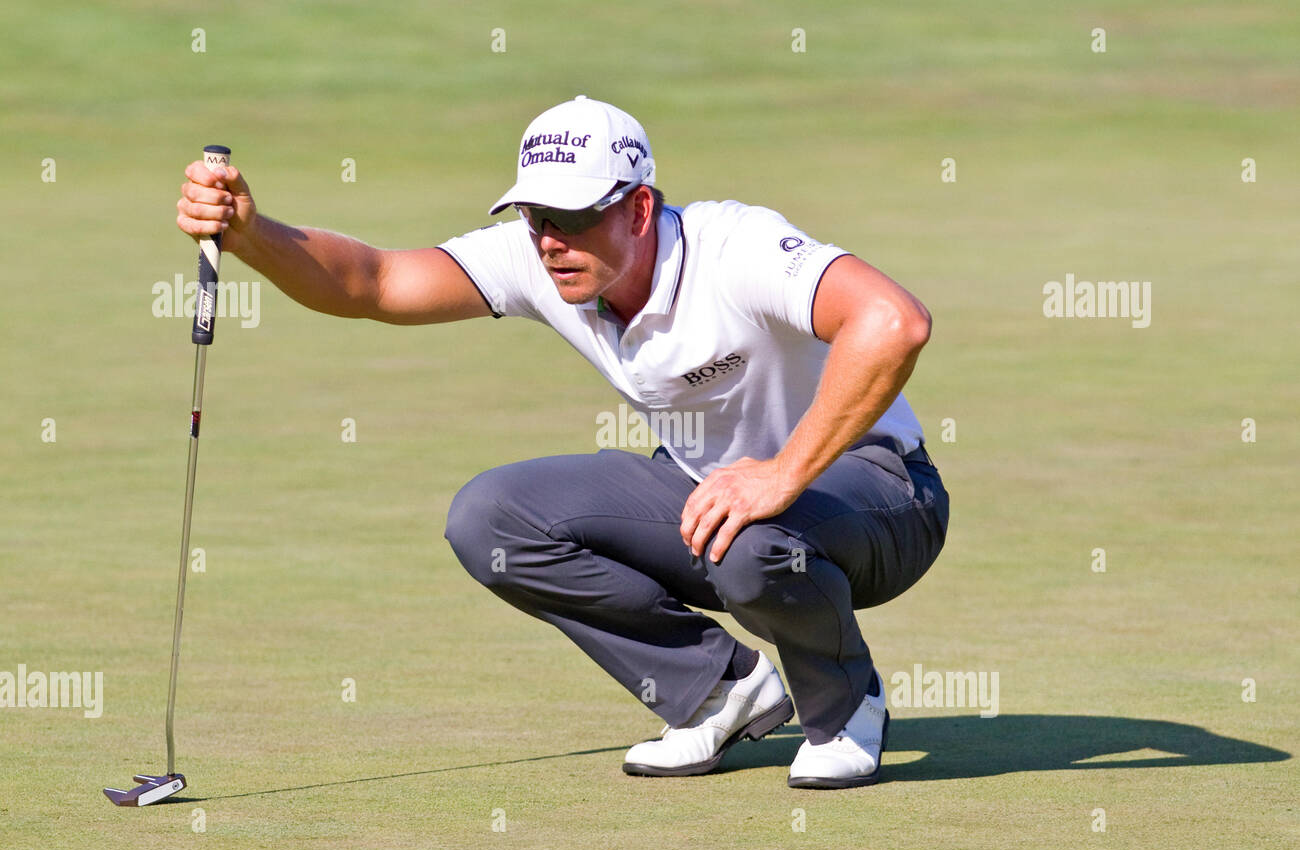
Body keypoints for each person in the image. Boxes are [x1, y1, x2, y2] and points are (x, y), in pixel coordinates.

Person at [176, 95, 949, 789]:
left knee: (750, 541)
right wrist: (252, 235)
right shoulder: (540, 261)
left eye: (574, 218)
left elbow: (893, 321)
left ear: (640, 208)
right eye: (535, 218)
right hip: (719, 500)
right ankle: (718, 690)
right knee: (494, 518)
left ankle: (844, 702)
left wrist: (779, 474)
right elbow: (372, 283)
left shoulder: (734, 249)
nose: (550, 242)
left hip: (883, 496)